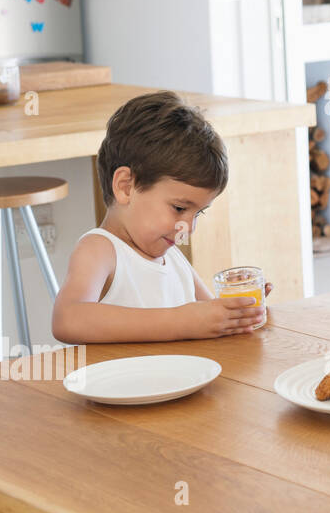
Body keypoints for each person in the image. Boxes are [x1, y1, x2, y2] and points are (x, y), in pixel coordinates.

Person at [51, 92, 268, 343]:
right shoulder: (101, 250)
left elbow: (210, 318)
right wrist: (182, 322)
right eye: (178, 208)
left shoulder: (173, 258)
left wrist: (241, 312)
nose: (188, 226)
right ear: (125, 187)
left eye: (198, 213)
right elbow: (67, 320)